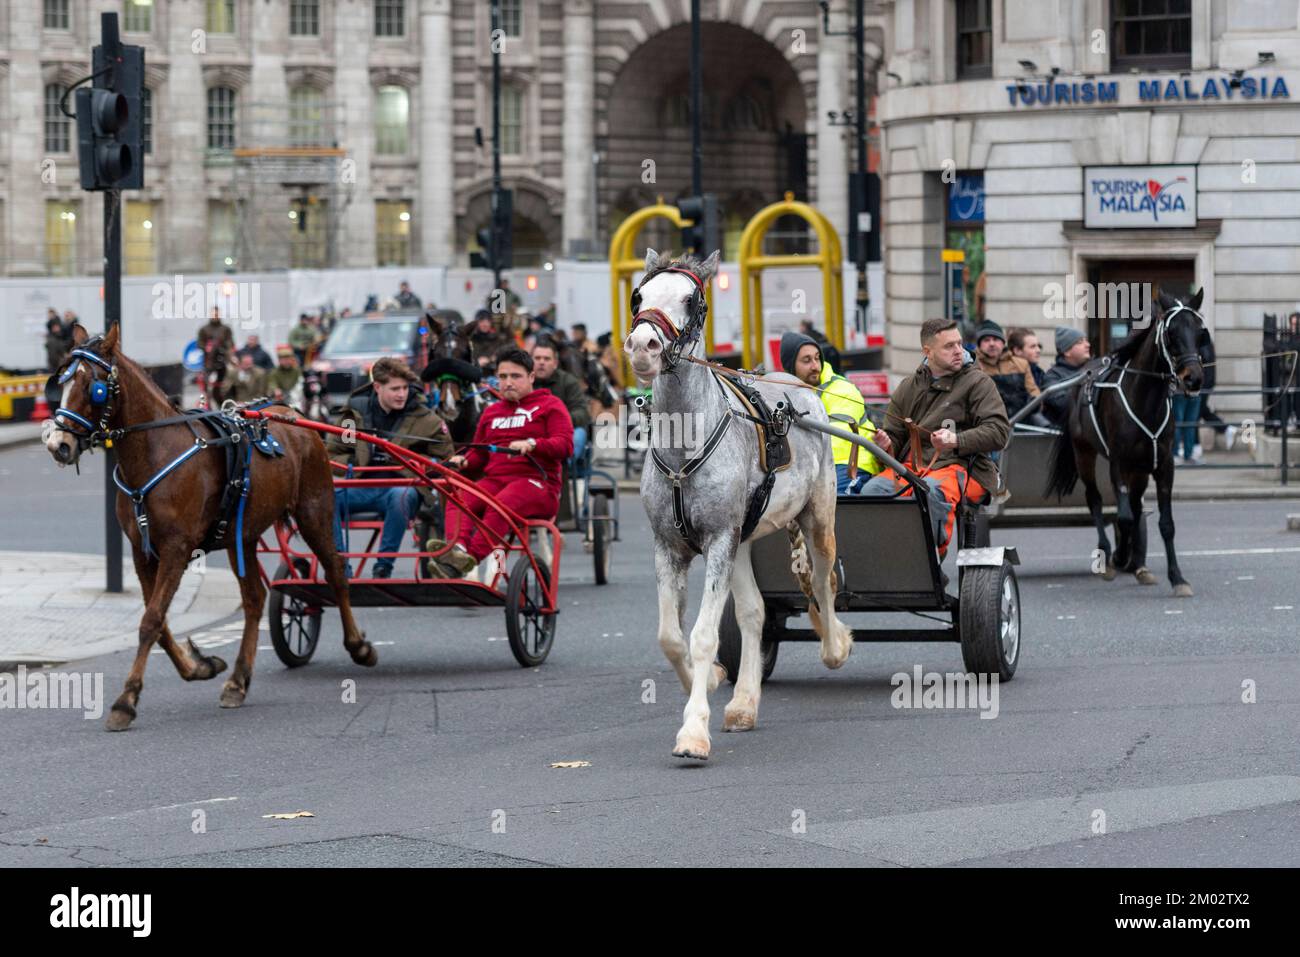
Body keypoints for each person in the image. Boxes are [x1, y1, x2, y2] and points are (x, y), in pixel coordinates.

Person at [854, 318, 1009, 557]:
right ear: (928, 351)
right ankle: (883, 563)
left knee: (931, 494)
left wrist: (956, 440)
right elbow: (895, 436)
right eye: (949, 346)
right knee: (872, 492)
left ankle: (928, 569)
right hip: (910, 469)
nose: (959, 351)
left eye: (959, 344)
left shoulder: (978, 382)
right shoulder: (908, 386)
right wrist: (887, 445)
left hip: (962, 468)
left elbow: (999, 432)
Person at [427, 347, 574, 579]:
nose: (508, 383)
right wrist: (463, 460)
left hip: (538, 484)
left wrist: (533, 444)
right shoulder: (491, 412)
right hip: (496, 482)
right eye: (502, 377)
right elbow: (480, 454)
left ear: (531, 377)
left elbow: (565, 446)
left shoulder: (551, 405)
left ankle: (467, 560)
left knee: (501, 503)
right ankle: (457, 550)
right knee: (459, 496)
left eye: (515, 376)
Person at [326, 357, 454, 578]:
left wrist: (408, 463)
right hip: (362, 487)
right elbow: (334, 453)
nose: (402, 394)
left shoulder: (426, 419)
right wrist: (357, 464)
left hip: (402, 490)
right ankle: (339, 566)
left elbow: (445, 459)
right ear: (377, 387)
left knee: (399, 496)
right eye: (395, 389)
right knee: (327, 498)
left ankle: (383, 566)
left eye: (405, 388)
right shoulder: (353, 417)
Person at [780, 330, 878, 493]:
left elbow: (838, 440)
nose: (815, 366)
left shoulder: (842, 389)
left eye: (817, 358)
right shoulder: (787, 392)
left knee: (835, 503)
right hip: (815, 466)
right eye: (807, 360)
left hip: (850, 464)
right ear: (791, 367)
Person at [532, 338, 592, 472]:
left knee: (579, 435)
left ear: (555, 363)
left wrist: (557, 422)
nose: (541, 362)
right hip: (532, 429)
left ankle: (560, 470)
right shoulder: (524, 382)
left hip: (564, 430)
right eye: (537, 358)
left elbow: (582, 413)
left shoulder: (568, 382)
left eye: (546, 359)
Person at [972, 319, 1039, 419]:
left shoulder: (1021, 364)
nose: (992, 344)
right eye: (986, 340)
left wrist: (1034, 401)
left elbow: (1033, 391)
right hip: (990, 423)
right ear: (979, 345)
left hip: (1023, 419)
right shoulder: (973, 367)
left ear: (1003, 343)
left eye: (996, 339)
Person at [1041, 326, 1092, 425]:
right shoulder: (1052, 377)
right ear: (1067, 351)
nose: (1088, 345)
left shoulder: (1093, 370)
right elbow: (1062, 403)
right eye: (1080, 342)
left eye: (1086, 341)